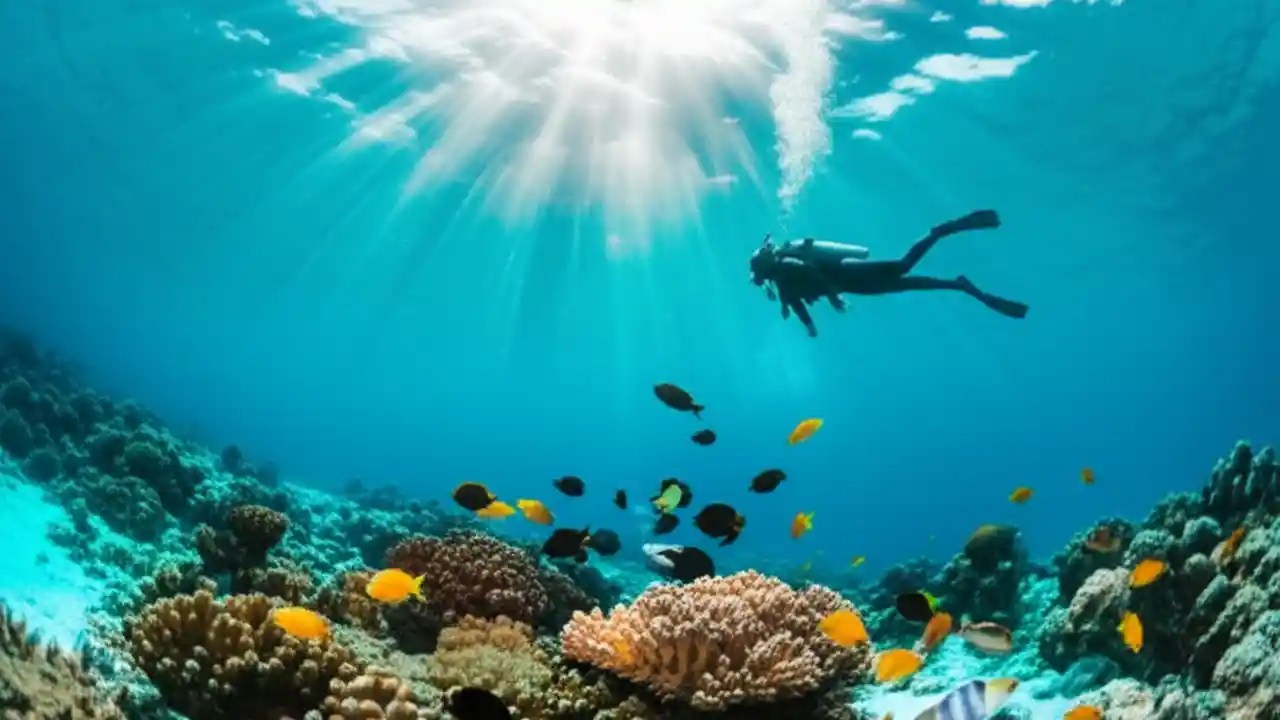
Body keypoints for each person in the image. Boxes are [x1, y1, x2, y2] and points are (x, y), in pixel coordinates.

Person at [749, 210, 1029, 337]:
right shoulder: (783, 284)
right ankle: (958, 284)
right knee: (907, 282)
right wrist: (810, 326)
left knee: (903, 268)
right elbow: (799, 306)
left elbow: (811, 271)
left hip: (848, 273)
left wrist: (833, 300)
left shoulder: (785, 269)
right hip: (852, 284)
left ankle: (939, 233)